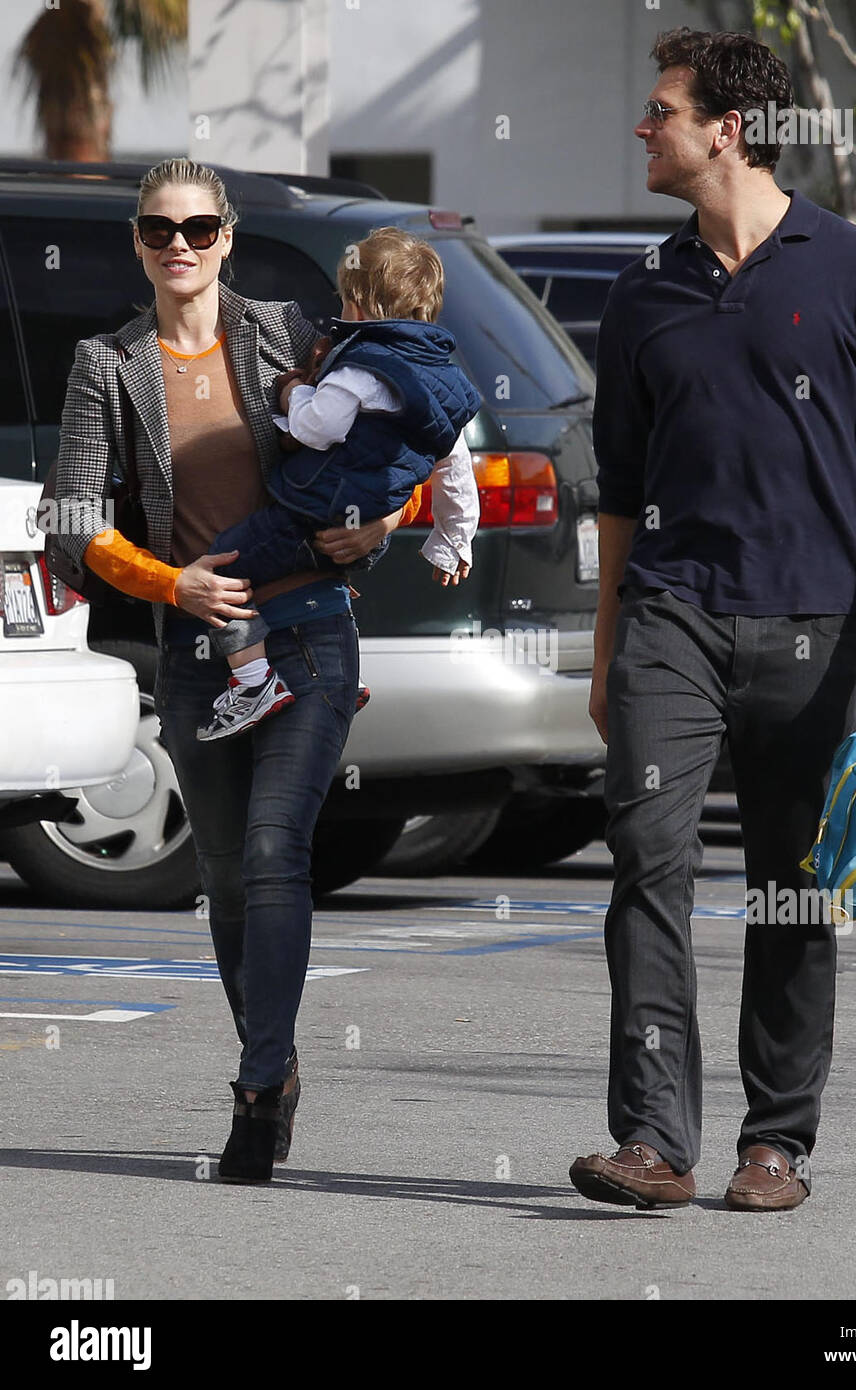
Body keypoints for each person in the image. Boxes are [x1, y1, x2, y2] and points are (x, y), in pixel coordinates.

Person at [568, 29, 856, 1213]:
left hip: (811, 625)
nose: (642, 130)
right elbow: (617, 496)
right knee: (645, 867)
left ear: (726, 130)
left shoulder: (854, 269)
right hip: (669, 619)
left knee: (792, 885)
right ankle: (653, 1140)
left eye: (660, 111)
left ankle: (774, 1143)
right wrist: (606, 650)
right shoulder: (642, 289)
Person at [50, 158, 439, 1184]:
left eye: (197, 227)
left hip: (309, 629)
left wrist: (383, 524)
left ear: (226, 235)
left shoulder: (289, 332)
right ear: (138, 243)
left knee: (273, 848)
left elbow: (392, 428)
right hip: (194, 655)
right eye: (156, 228)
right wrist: (168, 583)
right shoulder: (106, 362)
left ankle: (258, 1087)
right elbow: (72, 518)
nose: (177, 244)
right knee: (224, 875)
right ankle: (274, 1057)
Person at [194, 226, 482, 742]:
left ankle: (253, 681)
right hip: (362, 534)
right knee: (319, 582)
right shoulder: (442, 377)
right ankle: (341, 676)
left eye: (346, 300)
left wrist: (292, 394)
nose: (341, 311)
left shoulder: (365, 365)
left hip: (315, 511)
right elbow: (454, 466)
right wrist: (452, 539)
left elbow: (317, 428)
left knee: (224, 570)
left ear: (364, 306)